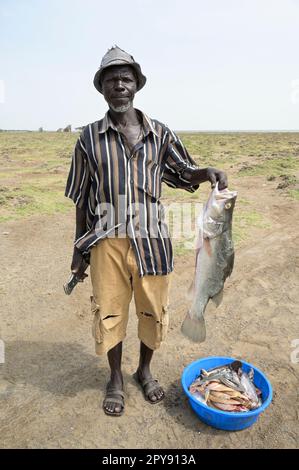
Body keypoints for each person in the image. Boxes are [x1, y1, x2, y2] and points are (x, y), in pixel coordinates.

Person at [65, 46, 227, 416]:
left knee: (153, 310)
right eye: (111, 80)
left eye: (125, 79)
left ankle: (144, 370)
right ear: (101, 88)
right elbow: (81, 197)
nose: (118, 85)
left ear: (136, 84)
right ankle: (116, 378)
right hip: (106, 239)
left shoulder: (160, 134)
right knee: (110, 310)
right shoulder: (88, 138)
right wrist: (78, 249)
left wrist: (209, 172)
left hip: (152, 240)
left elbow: (184, 172)